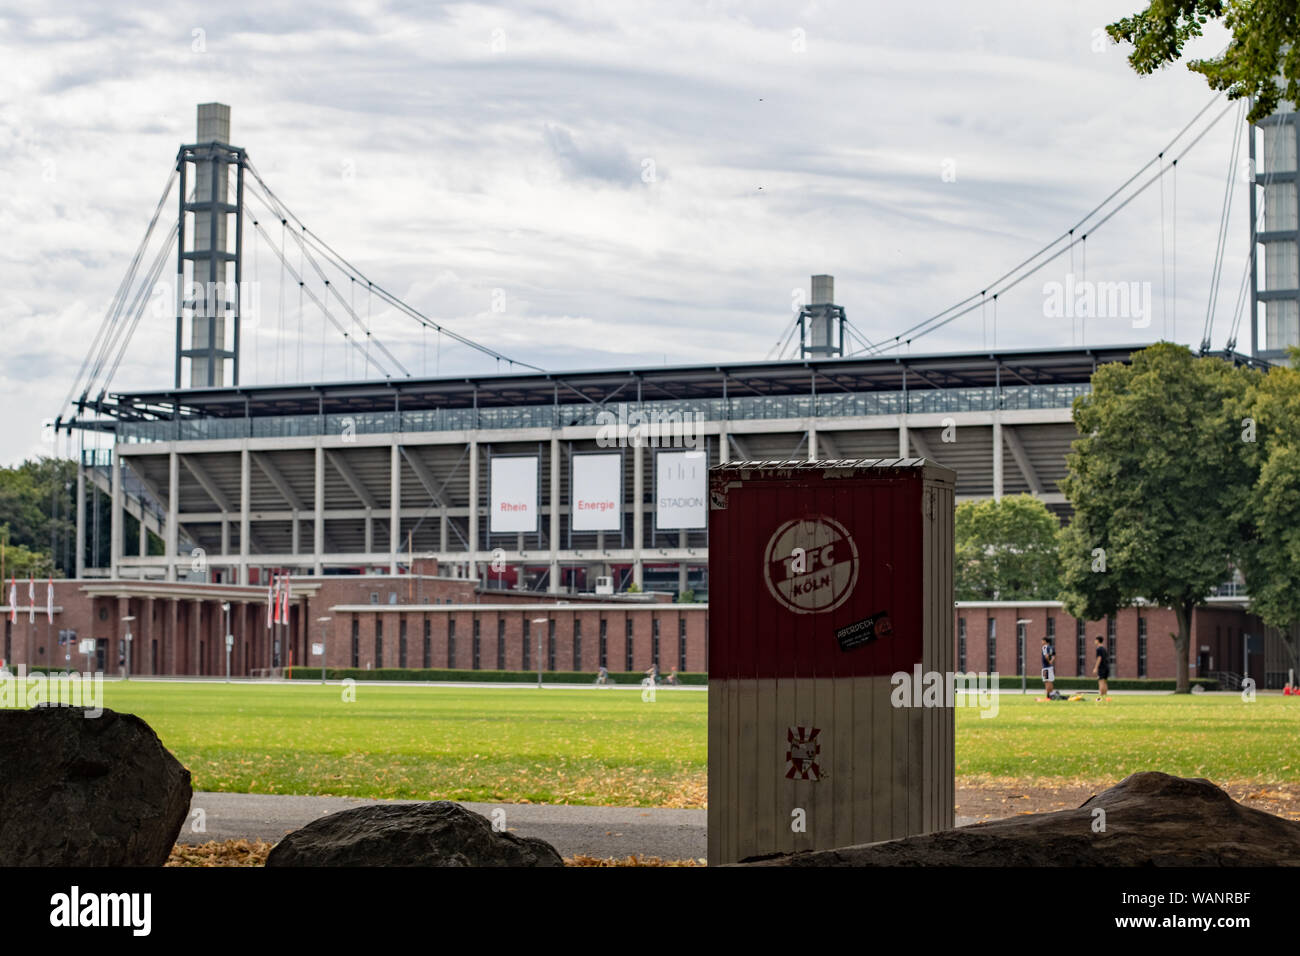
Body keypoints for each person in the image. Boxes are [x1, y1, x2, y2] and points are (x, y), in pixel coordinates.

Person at [1092, 635, 1110, 700]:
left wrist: (1096, 668)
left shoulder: (1099, 649)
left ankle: (1101, 697)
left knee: (1101, 681)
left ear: (1097, 640)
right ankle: (1105, 696)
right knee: (1104, 682)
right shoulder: (1104, 648)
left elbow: (1099, 658)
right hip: (1106, 667)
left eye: (1095, 640)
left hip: (1102, 667)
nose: (1094, 641)